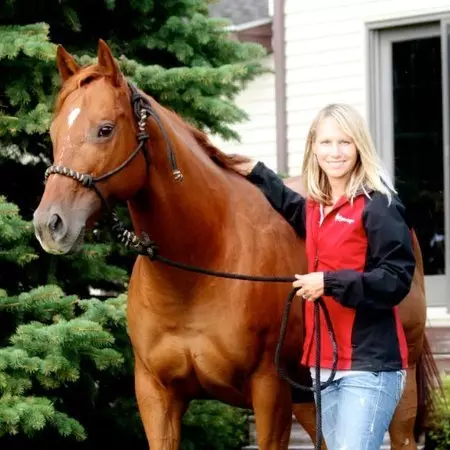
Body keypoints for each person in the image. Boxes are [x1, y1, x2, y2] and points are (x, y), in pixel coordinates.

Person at [234, 103, 415, 450]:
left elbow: (395, 280)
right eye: (327, 143)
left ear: (360, 146)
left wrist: (328, 283)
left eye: (345, 142)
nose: (335, 152)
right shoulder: (317, 207)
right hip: (324, 367)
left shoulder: (379, 204)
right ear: (313, 147)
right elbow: (293, 208)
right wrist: (258, 172)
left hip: (369, 367)